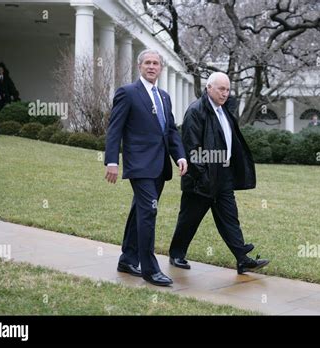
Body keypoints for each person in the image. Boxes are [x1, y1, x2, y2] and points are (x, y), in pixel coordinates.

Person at [168, 72, 270, 275]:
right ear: (209, 88)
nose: (225, 93)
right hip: (201, 178)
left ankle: (242, 259)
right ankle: (176, 254)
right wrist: (203, 177)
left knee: (230, 218)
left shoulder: (224, 111)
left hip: (223, 176)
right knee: (190, 218)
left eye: (227, 89)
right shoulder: (196, 111)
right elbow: (192, 148)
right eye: (221, 89)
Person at [104, 49, 187, 287]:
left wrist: (179, 156)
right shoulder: (128, 93)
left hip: (160, 167)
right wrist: (112, 161)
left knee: (140, 211)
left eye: (156, 63)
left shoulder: (164, 96)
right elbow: (115, 129)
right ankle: (150, 269)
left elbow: (170, 130)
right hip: (139, 165)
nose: (152, 67)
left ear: (160, 68)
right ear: (139, 66)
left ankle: (127, 259)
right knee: (149, 212)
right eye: (147, 63)